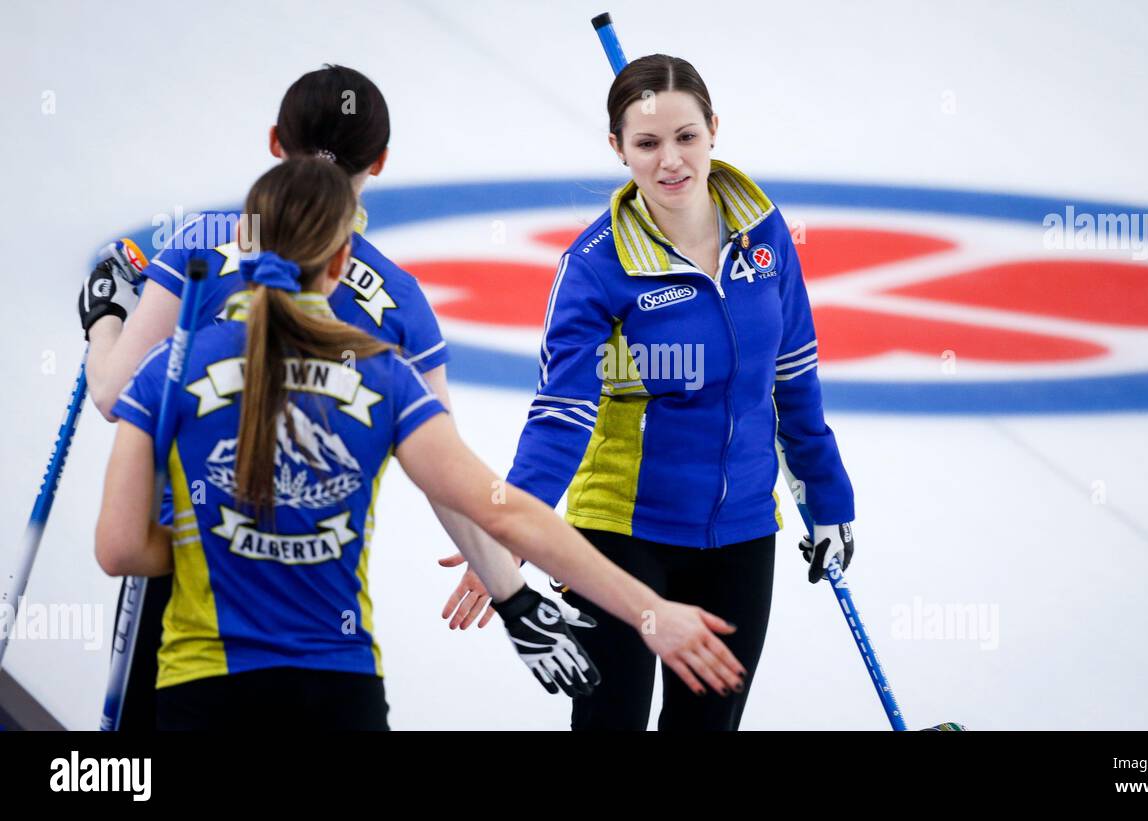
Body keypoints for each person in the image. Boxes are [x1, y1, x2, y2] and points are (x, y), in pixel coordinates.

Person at [94, 158, 745, 730]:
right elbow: (503, 509)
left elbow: (119, 547)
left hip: (203, 688)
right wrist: (648, 610)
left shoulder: (167, 371)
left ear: (244, 242)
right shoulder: (383, 377)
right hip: (339, 690)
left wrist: (105, 325)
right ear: (343, 262)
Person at [77, 65, 517, 729]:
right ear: (380, 161)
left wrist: (105, 314)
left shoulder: (204, 244)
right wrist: (498, 562)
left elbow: (114, 392)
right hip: (317, 587)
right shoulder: (398, 299)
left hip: (192, 567)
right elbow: (445, 468)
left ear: (275, 141)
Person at [483, 54, 856, 731]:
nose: (671, 160)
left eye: (686, 136)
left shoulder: (765, 236)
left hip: (742, 530)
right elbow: (560, 416)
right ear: (618, 149)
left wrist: (827, 495)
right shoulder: (596, 268)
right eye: (647, 143)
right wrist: (515, 524)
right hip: (621, 534)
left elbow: (794, 375)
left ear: (714, 129)